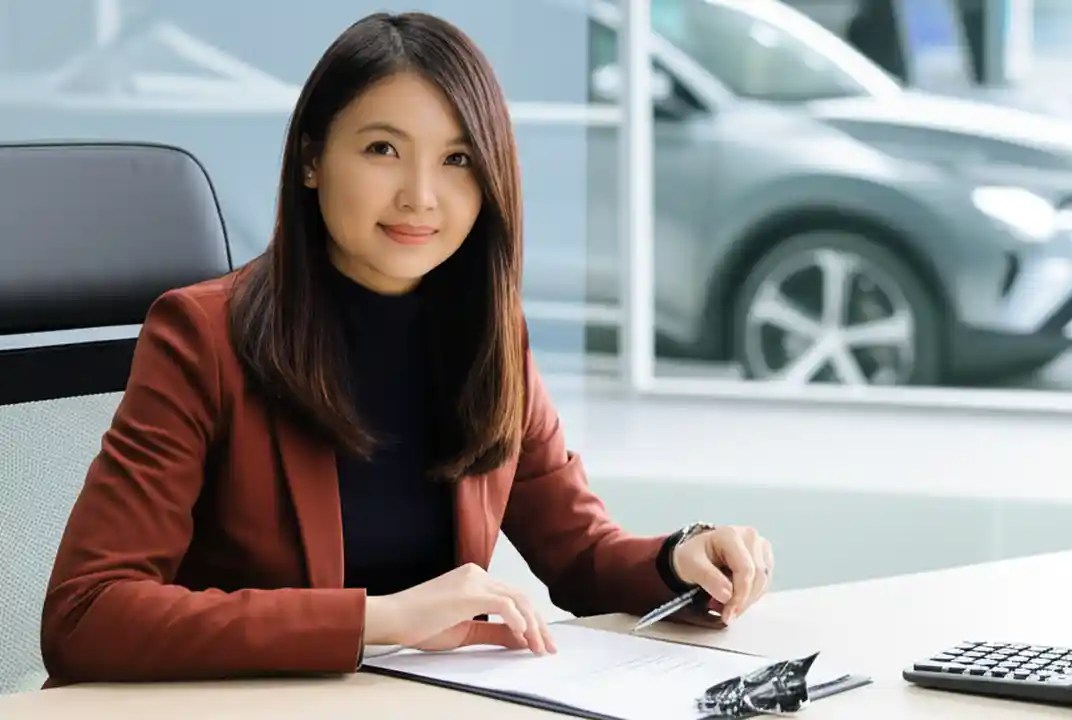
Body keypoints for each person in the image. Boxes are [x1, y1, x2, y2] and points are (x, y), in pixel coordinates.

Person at [40, 12, 774, 685]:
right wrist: (379, 620)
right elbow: (86, 615)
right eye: (383, 149)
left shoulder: (491, 333)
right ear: (310, 160)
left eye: (458, 160)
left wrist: (682, 557)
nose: (422, 196)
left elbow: (579, 556)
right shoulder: (202, 337)